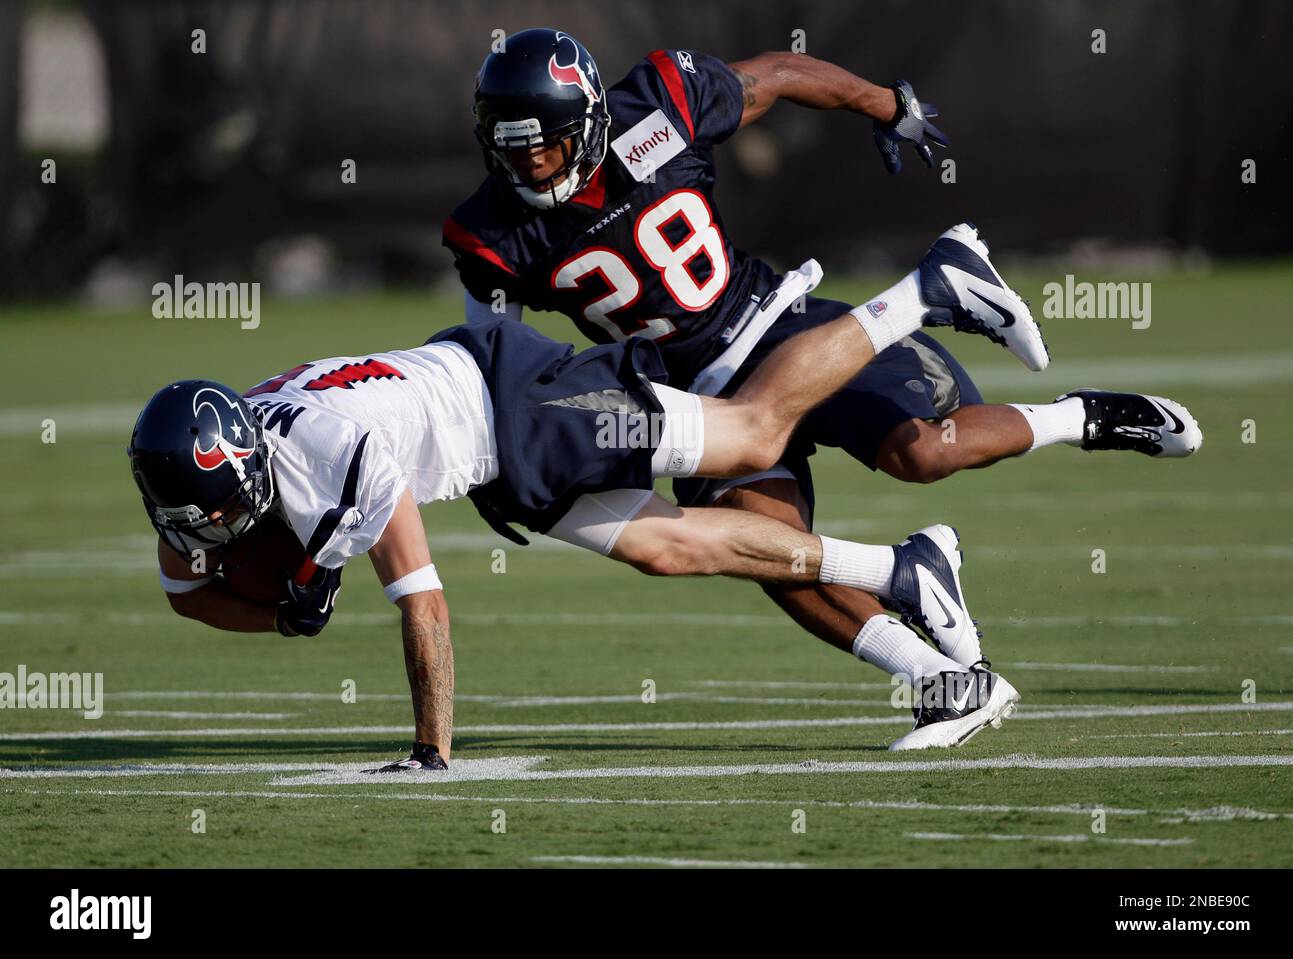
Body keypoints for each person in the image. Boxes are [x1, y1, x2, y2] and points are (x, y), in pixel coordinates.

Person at [441, 28, 1202, 729]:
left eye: (549, 146)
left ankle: (1084, 416)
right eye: (514, 152)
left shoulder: (659, 104)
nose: (533, 167)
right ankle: (937, 680)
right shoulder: (491, 233)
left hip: (783, 323)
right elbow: (494, 356)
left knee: (925, 452)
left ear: (596, 120)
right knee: (771, 549)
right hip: (696, 400)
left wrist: (888, 105)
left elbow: (779, 73)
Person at [129, 263, 1042, 771]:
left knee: (748, 431)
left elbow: (423, 603)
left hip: (515, 400)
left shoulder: (331, 452)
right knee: (672, 548)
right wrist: (275, 608)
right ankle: (909, 594)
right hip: (483, 449)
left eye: (211, 512)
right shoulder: (236, 451)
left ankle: (927, 287)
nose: (202, 531)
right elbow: (183, 590)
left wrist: (429, 751)